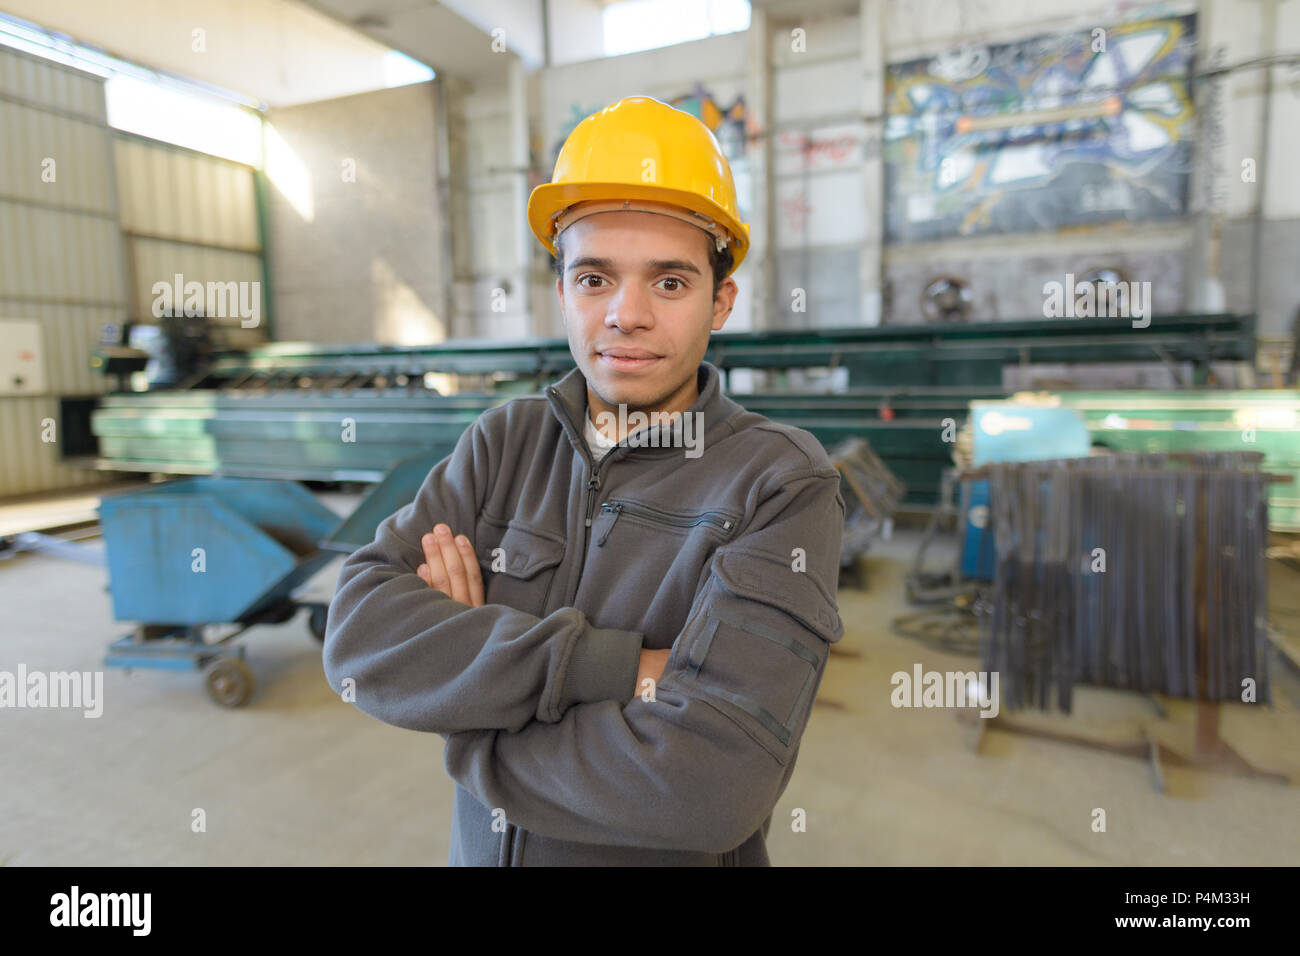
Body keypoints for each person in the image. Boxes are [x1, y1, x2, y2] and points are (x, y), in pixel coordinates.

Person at [323, 95, 845, 866]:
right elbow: (361, 645)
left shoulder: (780, 483)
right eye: (596, 278)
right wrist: (619, 669)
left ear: (720, 300)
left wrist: (470, 726)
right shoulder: (505, 444)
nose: (626, 315)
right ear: (562, 290)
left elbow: (707, 788)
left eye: (669, 283)